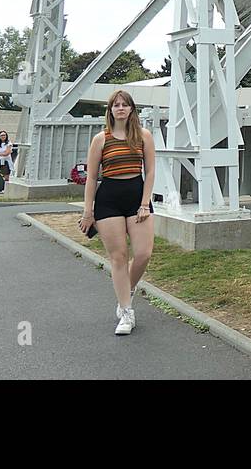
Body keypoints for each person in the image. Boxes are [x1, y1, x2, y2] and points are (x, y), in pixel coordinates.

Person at [78, 90, 156, 336]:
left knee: (143, 253)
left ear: (132, 109)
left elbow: (151, 172)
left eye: (125, 104)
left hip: (136, 196)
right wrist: (88, 212)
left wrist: (145, 203)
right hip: (108, 199)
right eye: (116, 105)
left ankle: (127, 290)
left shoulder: (143, 136)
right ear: (110, 110)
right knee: (119, 257)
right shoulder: (101, 139)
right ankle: (126, 311)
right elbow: (91, 177)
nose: (120, 108)